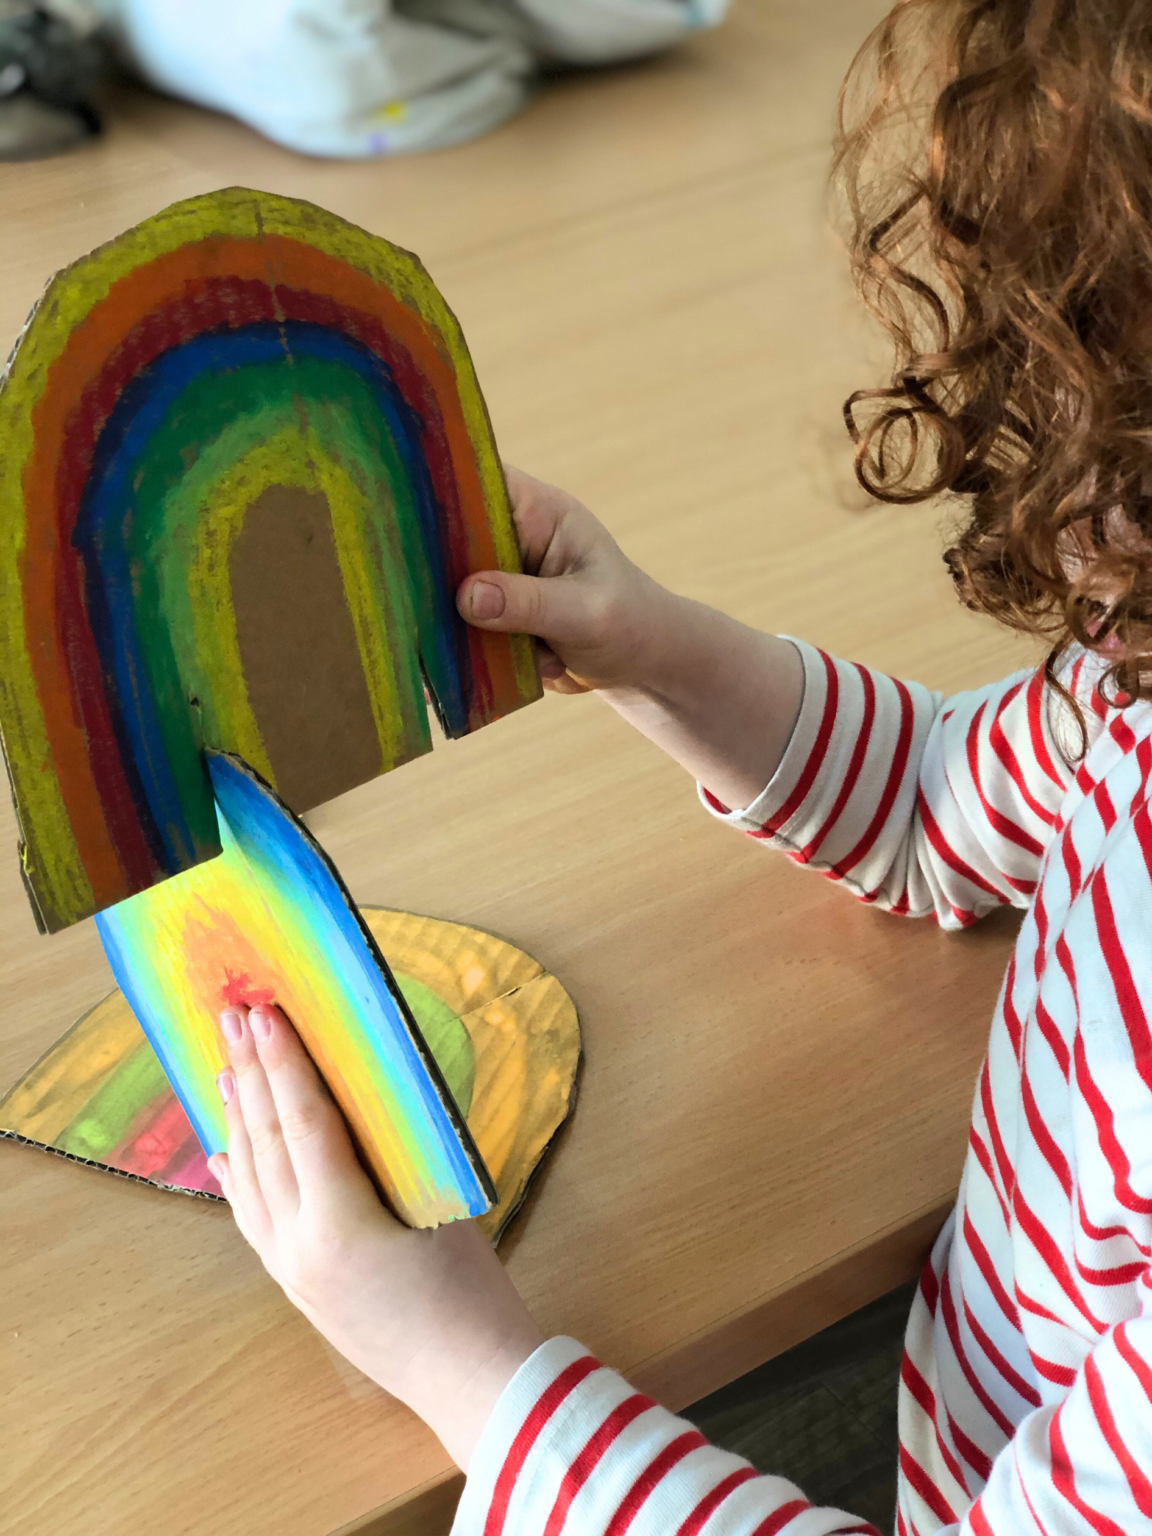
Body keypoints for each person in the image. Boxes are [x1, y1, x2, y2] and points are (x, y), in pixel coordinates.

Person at [206, 2, 1152, 1531]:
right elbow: (936, 810)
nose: (1039, 472)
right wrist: (653, 646)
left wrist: (464, 1364)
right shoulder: (1139, 685)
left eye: (1072, 416)